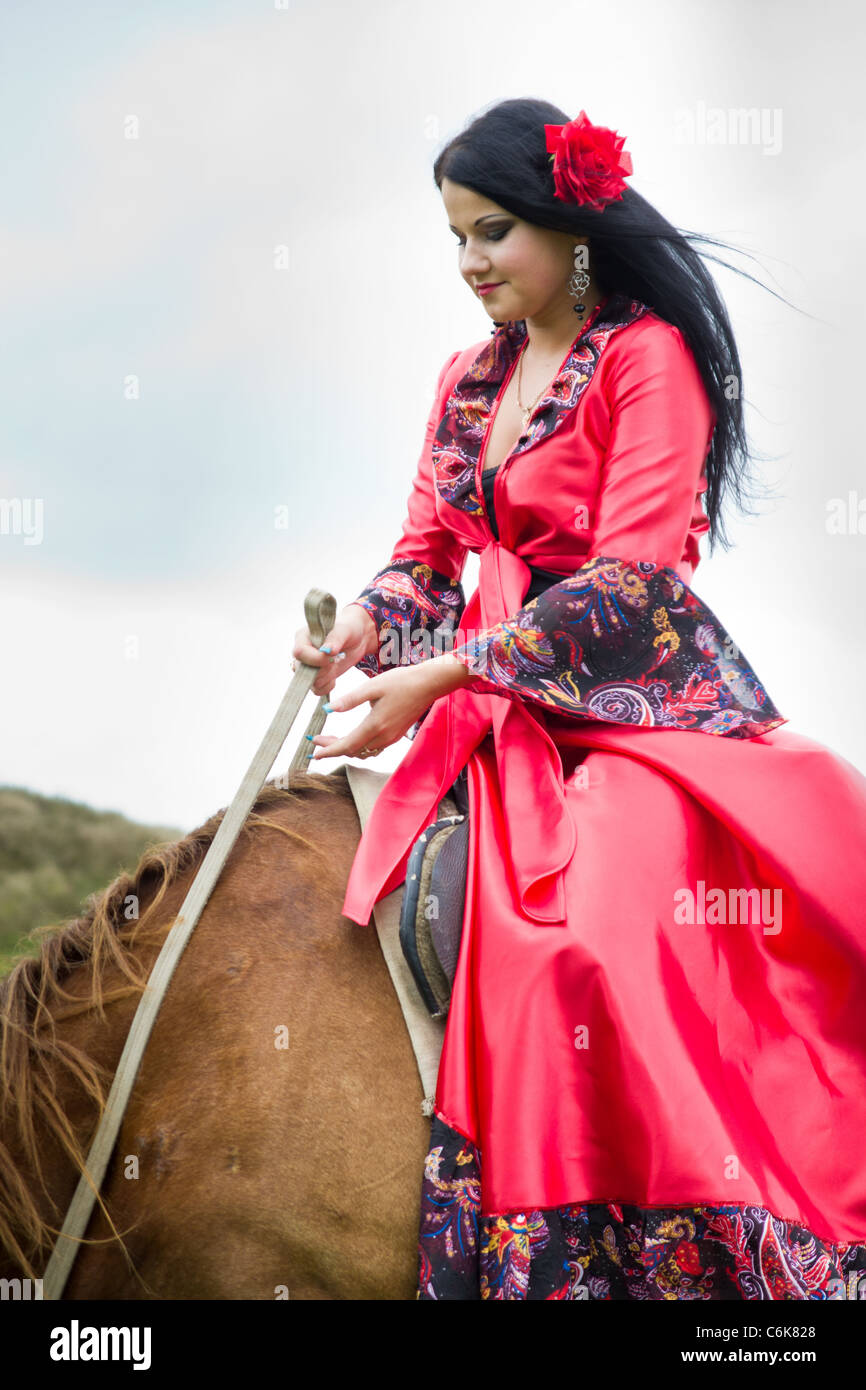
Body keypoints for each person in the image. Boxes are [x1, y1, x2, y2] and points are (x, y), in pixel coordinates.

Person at [291, 99, 866, 1300]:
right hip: (494, 710)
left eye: (491, 231)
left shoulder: (645, 358)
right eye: (452, 238)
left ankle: (703, 1259)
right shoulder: (464, 381)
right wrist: (363, 626)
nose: (468, 265)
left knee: (591, 932)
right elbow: (423, 563)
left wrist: (443, 673)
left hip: (637, 705)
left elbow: (630, 578)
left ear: (569, 224)